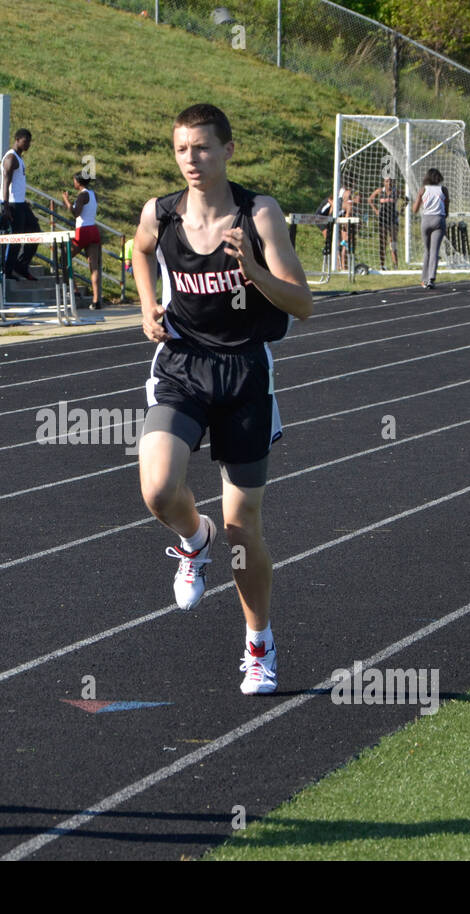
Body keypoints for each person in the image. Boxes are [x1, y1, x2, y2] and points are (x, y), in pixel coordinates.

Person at [130, 103, 312, 695]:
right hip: (182, 365)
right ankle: (192, 539)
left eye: (203, 148)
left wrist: (254, 270)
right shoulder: (160, 213)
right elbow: (138, 250)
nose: (191, 160)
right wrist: (146, 306)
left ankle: (258, 643)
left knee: (243, 527)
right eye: (182, 149)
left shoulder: (258, 212)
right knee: (158, 488)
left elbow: (302, 303)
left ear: (228, 151)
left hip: (243, 374)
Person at [59, 171, 102, 308]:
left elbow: (75, 213)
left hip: (82, 231)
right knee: (94, 267)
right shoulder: (93, 194)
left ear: (78, 182)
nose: (74, 183)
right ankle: (96, 300)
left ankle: (75, 290)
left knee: (65, 258)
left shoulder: (82, 195)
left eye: (74, 181)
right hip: (93, 230)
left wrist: (66, 200)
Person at [0, 128, 38, 280]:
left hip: (21, 203)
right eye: (25, 141)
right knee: (15, 238)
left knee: (35, 232)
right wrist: (5, 206)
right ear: (17, 140)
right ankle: (7, 271)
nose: (28, 144)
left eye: (29, 141)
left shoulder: (19, 158)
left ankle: (20, 265)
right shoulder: (11, 158)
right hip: (13, 204)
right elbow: (5, 183)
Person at [411, 167, 447, 289]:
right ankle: (431, 277)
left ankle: (423, 279)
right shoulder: (443, 189)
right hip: (438, 219)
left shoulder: (422, 190)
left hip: (426, 220)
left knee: (427, 250)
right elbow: (446, 209)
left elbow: (415, 210)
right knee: (434, 251)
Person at [367, 175, 400, 269]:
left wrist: (400, 211)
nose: (388, 183)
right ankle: (382, 265)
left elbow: (406, 199)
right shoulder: (379, 191)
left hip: (393, 219)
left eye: (390, 181)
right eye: (386, 181)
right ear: (383, 182)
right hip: (383, 219)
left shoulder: (395, 191)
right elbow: (370, 200)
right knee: (383, 242)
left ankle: (395, 266)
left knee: (393, 242)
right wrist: (376, 210)